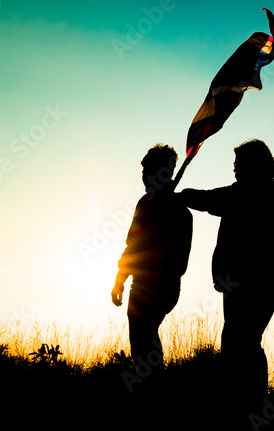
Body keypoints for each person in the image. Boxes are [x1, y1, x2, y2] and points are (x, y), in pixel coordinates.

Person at [179, 139, 274, 407]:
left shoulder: (248, 193)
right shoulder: (268, 193)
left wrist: (180, 195)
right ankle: (250, 404)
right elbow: (212, 200)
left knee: (240, 344)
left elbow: (209, 199)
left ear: (253, 166)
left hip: (249, 283)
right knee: (245, 343)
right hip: (256, 282)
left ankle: (246, 406)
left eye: (239, 165)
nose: (235, 170)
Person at [111, 144, 193, 386]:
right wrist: (120, 280)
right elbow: (132, 246)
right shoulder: (145, 204)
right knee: (141, 338)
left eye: (150, 171)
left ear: (164, 173)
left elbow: (180, 262)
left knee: (144, 333)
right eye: (144, 172)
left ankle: (153, 389)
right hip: (140, 284)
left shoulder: (180, 211)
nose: (145, 177)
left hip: (163, 286)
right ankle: (151, 387)